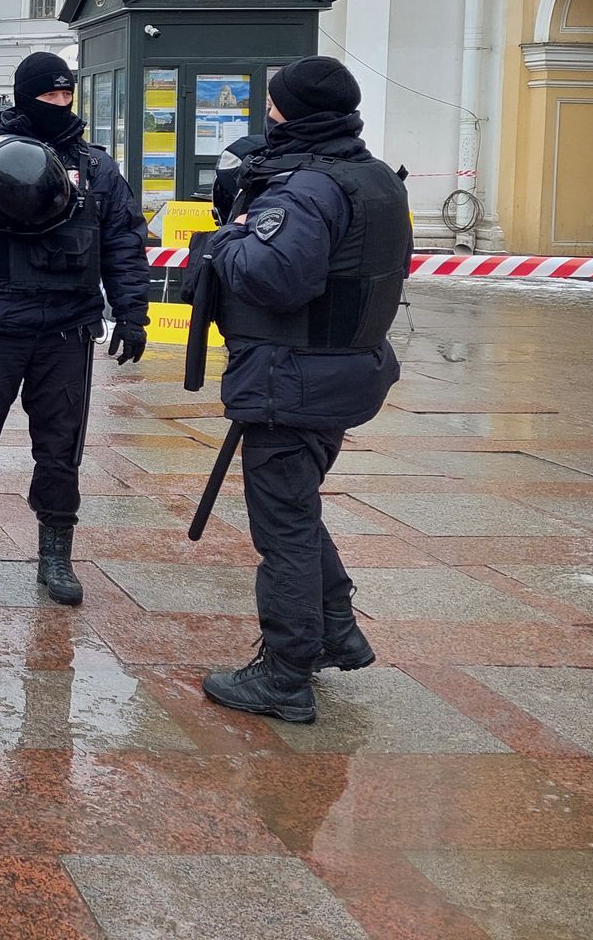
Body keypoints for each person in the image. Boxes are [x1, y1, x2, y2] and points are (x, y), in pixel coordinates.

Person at [194, 56, 411, 725]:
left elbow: (278, 278)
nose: (265, 110)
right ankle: (336, 628)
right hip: (343, 372)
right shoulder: (372, 177)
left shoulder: (305, 189)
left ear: (293, 111)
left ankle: (285, 676)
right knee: (298, 507)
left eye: (272, 102)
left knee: (283, 530)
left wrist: (225, 241)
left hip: (293, 379)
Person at [0, 51, 151, 604]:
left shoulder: (96, 168)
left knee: (60, 449)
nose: (58, 104)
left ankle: (56, 552)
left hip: (67, 330)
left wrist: (133, 311)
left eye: (65, 95)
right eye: (47, 95)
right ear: (24, 97)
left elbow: (123, 240)